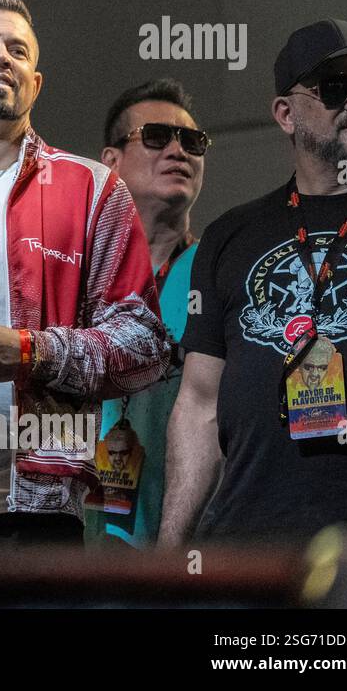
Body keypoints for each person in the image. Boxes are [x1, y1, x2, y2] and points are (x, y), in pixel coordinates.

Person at [0, 0, 168, 547]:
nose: (0, 58)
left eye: (17, 50)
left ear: (35, 84)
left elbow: (145, 345)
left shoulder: (90, 187)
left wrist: (28, 351)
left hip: (36, 505)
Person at [162, 19, 347, 546]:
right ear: (286, 114)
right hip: (248, 558)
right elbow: (199, 406)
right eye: (335, 86)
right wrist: (169, 559)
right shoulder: (231, 235)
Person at [85, 79, 209, 547]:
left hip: (184, 540)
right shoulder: (72, 270)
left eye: (193, 141)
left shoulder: (220, 273)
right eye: (156, 137)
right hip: (67, 539)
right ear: (110, 162)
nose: (179, 150)